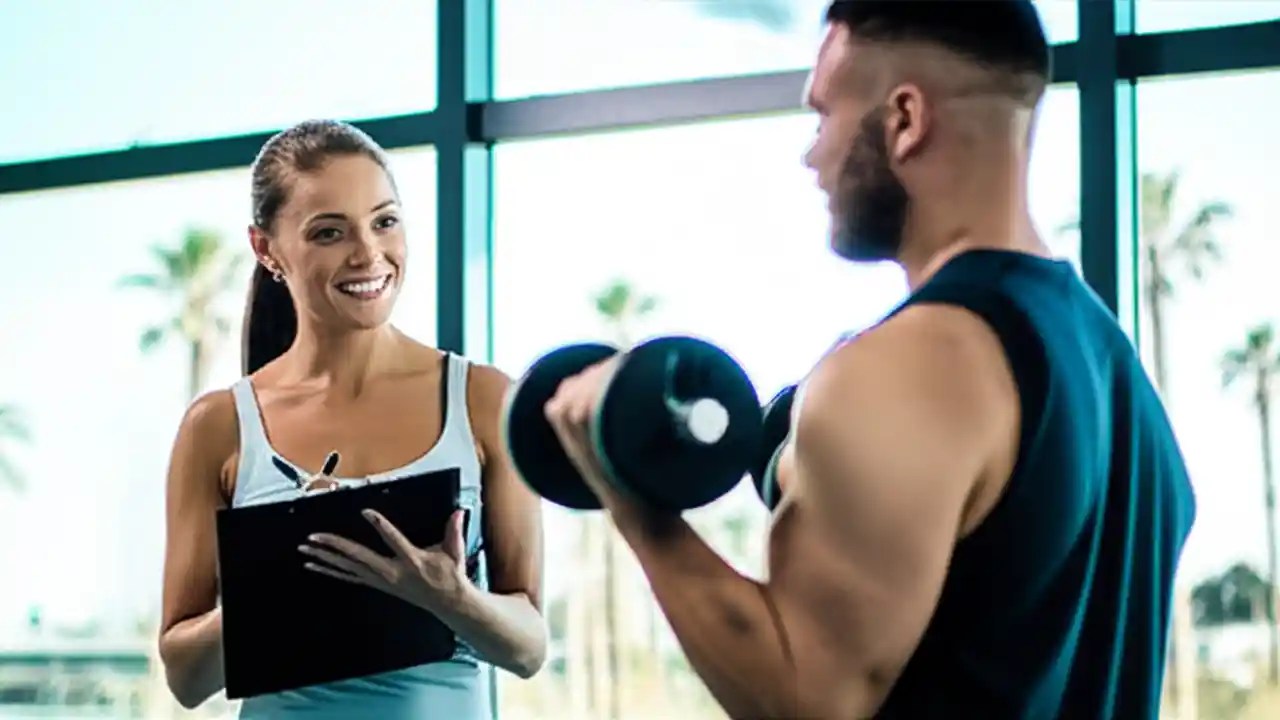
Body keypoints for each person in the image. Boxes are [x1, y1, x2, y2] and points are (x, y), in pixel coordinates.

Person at [543, 2, 1196, 718]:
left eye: (823, 116)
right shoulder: (1117, 367)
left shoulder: (907, 364)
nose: (811, 153)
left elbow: (804, 695)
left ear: (905, 119)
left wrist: (635, 505)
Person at [157, 119, 546, 719]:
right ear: (267, 250)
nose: (368, 253)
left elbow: (529, 647)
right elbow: (186, 678)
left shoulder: (486, 401)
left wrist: (454, 598)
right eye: (329, 232)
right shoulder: (218, 427)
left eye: (384, 221)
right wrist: (282, 580)